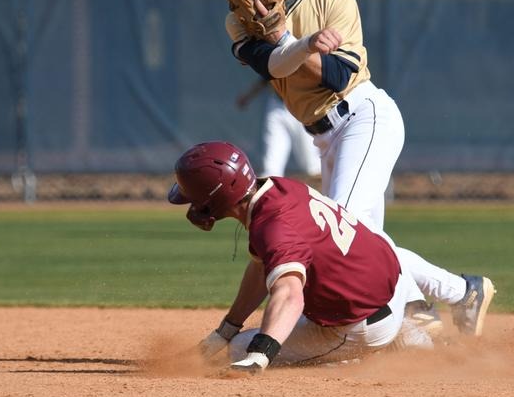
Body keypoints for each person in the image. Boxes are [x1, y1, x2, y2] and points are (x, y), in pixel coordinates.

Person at [225, 0, 448, 315]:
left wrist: (292, 42)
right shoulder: (240, 13)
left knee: (337, 230)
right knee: (363, 237)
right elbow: (273, 64)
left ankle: (452, 292)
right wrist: (300, 43)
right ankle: (420, 312)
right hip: (321, 136)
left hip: (363, 116)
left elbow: (337, 75)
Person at [168, 141, 495, 372]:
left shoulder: (272, 228)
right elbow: (261, 268)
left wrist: (260, 354)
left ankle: (372, 349)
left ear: (214, 199)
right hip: (393, 287)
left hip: (359, 326)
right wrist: (226, 328)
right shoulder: (279, 189)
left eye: (193, 197)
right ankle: (417, 341)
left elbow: (289, 294)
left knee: (239, 349)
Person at [236, 77, 322, 178]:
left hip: (301, 105)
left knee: (311, 166)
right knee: (270, 169)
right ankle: (270, 192)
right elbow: (266, 76)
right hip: (277, 106)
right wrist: (249, 95)